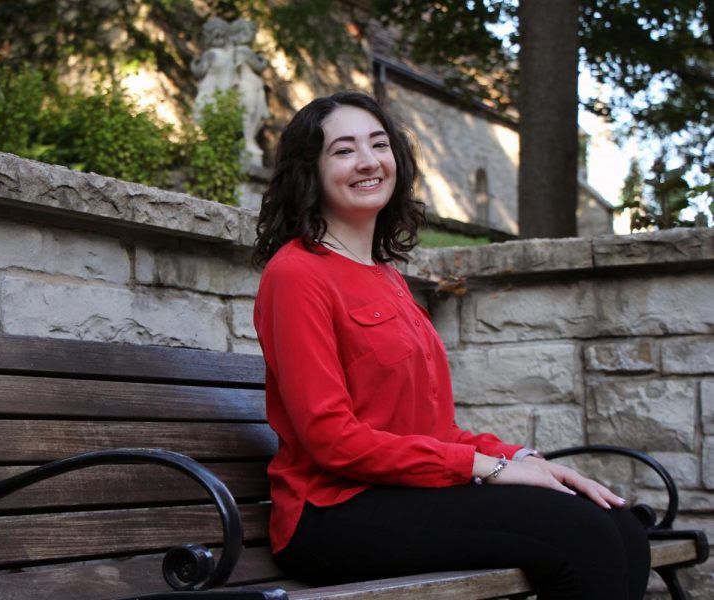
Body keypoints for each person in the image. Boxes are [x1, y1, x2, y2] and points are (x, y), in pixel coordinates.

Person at [251, 91, 650, 599]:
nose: (369, 161)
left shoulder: (385, 278)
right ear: (311, 170)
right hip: (333, 513)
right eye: (344, 150)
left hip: (403, 496)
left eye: (379, 144)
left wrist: (524, 459)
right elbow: (332, 439)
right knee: (584, 535)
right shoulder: (297, 274)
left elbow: (432, 431)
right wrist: (490, 469)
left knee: (621, 526)